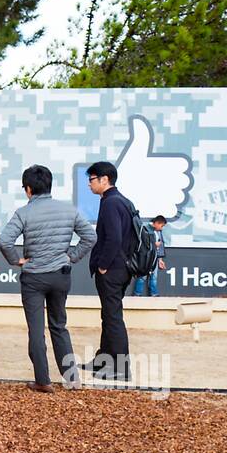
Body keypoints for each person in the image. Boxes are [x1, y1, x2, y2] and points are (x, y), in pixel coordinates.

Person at [0, 164, 96, 392]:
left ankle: (43, 381)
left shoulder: (23, 212)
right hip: (60, 275)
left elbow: (5, 241)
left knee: (36, 329)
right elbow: (90, 236)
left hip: (34, 277)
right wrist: (71, 256)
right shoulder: (68, 210)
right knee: (59, 325)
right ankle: (72, 378)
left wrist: (17, 260)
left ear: (29, 189)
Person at [85, 160, 135, 381]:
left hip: (113, 269)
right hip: (121, 268)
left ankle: (122, 368)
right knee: (109, 314)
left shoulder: (111, 203)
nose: (89, 184)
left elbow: (113, 238)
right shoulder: (121, 201)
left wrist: (103, 265)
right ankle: (103, 360)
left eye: (92, 179)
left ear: (104, 179)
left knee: (113, 317)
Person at [132, 216, 168, 296]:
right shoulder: (145, 229)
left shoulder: (159, 232)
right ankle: (137, 294)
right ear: (156, 223)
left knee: (154, 277)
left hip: (155, 258)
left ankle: (154, 294)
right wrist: (154, 245)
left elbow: (160, 246)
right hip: (146, 258)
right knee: (142, 276)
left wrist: (160, 260)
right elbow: (143, 245)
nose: (162, 228)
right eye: (161, 226)